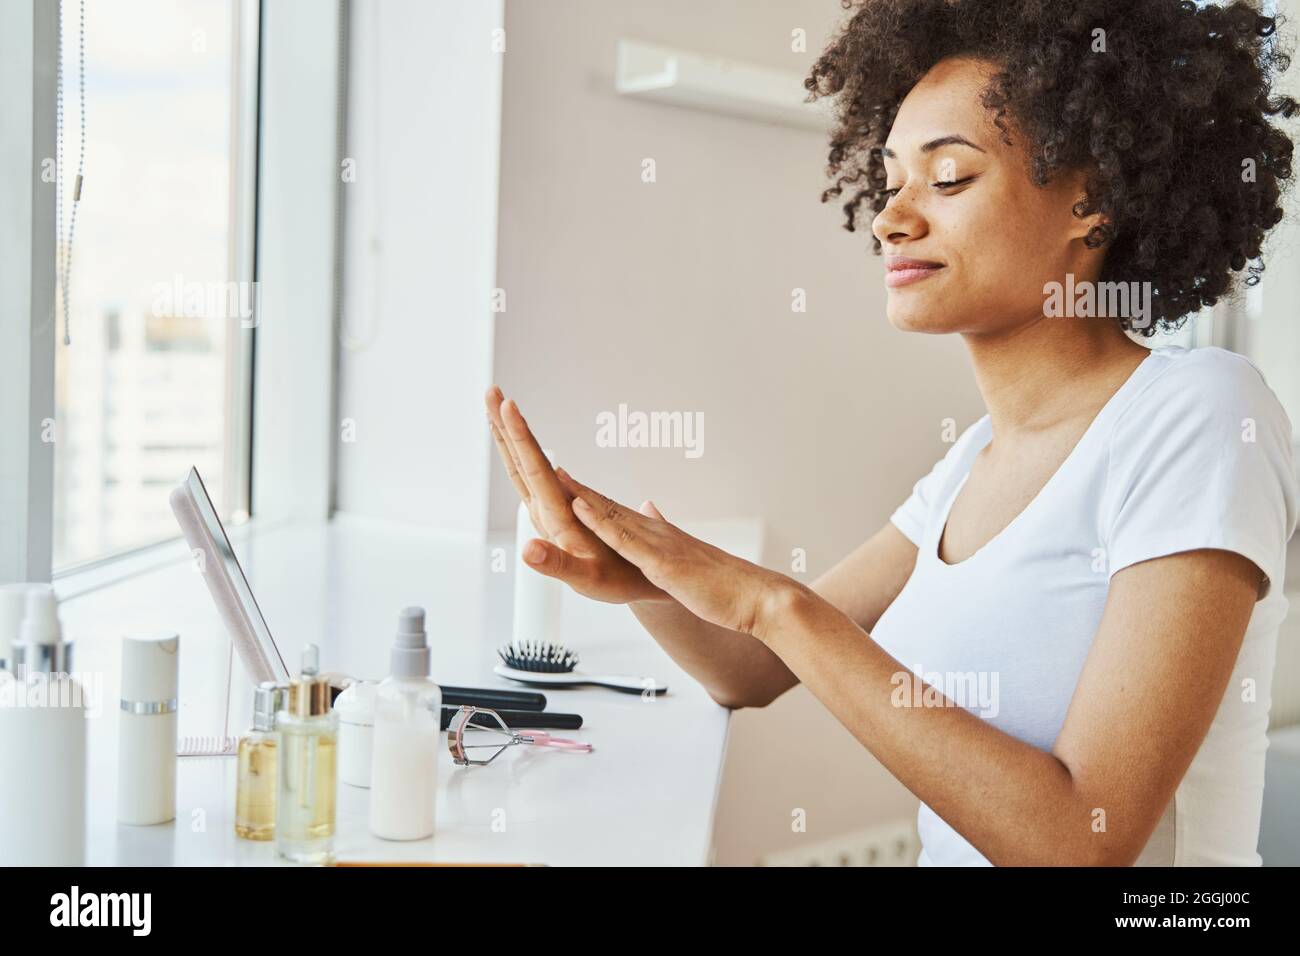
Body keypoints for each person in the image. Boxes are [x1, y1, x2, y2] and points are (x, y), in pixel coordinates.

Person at [485, 0, 1298, 865]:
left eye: (948, 178)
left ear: (1090, 202)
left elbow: (1079, 842)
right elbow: (748, 668)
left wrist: (774, 601)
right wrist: (638, 570)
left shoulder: (1203, 415)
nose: (891, 218)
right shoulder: (973, 461)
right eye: (890, 180)